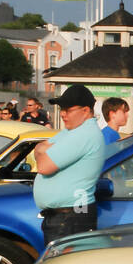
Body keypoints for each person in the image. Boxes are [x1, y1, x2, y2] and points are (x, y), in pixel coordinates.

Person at [33, 84, 104, 245]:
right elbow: (38, 148)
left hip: (70, 218)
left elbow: (43, 165)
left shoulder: (84, 134)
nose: (63, 114)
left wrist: (43, 150)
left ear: (85, 111)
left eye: (68, 110)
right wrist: (41, 150)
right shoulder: (72, 131)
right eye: (61, 109)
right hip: (65, 217)